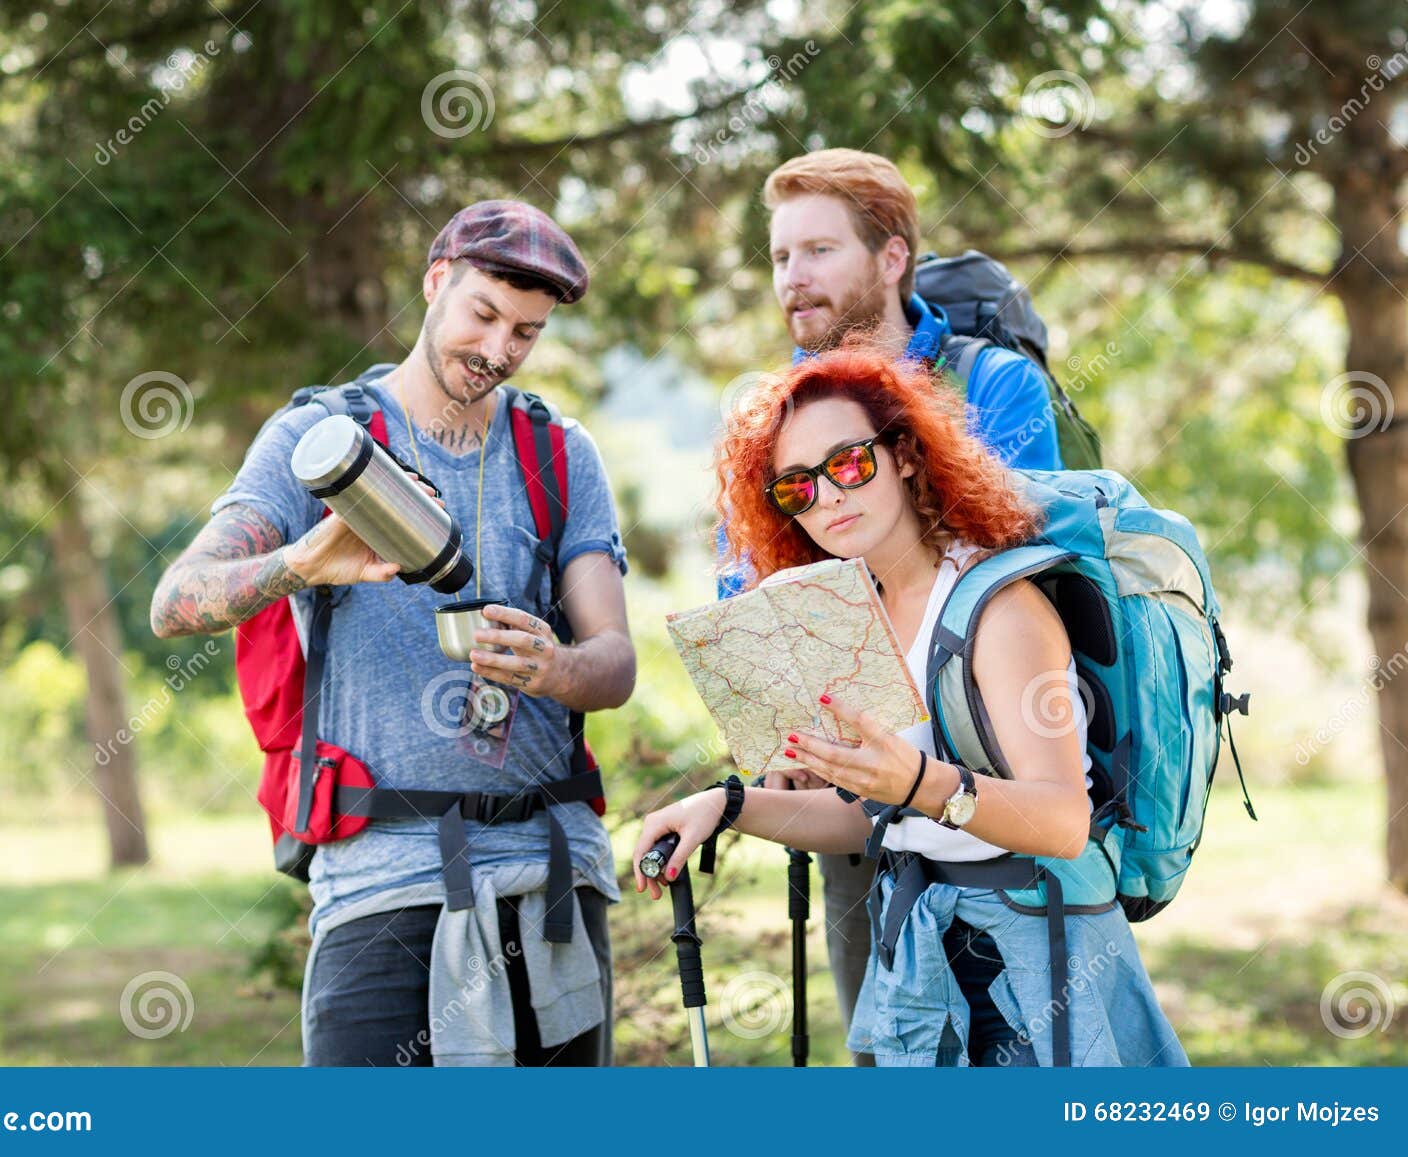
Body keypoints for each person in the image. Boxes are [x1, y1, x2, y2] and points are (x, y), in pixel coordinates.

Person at [151, 200, 634, 1066]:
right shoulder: (323, 440)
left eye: (525, 332)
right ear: (435, 280)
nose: (497, 350)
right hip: (384, 888)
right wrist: (300, 563)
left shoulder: (561, 452)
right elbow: (176, 599)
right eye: (483, 315)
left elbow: (615, 663)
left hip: (550, 881)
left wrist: (555, 666)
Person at [645, 344, 1185, 1067]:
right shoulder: (854, 613)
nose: (828, 496)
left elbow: (1062, 819)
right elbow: (872, 816)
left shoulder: (1001, 611)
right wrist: (728, 805)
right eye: (795, 487)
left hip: (1036, 968)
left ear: (902, 454)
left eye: (847, 463)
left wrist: (918, 784)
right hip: (923, 960)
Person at [721, 148, 1069, 1061]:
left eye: (819, 250)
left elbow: (1014, 570)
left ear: (892, 256)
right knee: (888, 1047)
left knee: (1023, 1042)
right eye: (780, 257)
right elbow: (749, 582)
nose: (793, 278)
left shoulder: (991, 383)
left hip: (994, 795)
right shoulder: (781, 416)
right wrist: (776, 740)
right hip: (850, 789)